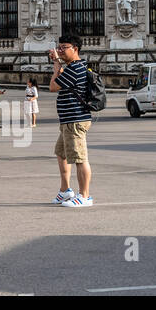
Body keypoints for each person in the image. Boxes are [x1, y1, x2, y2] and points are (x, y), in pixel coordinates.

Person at [49, 34, 94, 207]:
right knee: (61, 154)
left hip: (75, 120)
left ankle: (84, 196)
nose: (60, 51)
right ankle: (65, 190)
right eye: (59, 47)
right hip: (67, 121)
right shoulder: (70, 67)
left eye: (63, 47)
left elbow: (53, 86)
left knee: (80, 158)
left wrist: (56, 69)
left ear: (75, 49)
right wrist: (58, 62)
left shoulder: (75, 69)